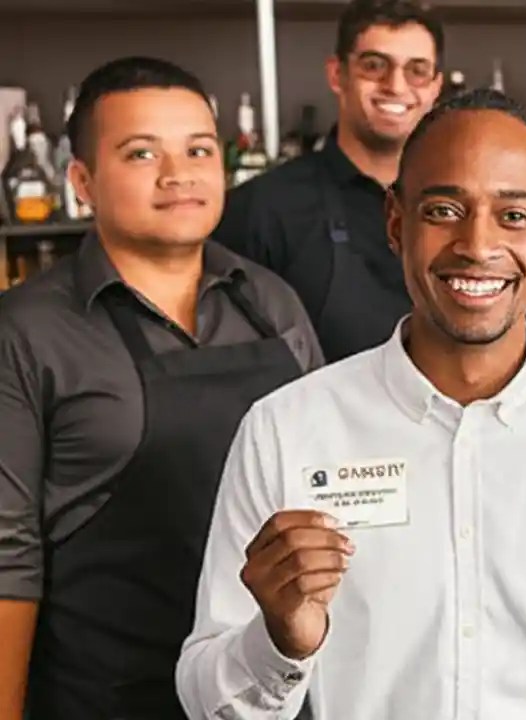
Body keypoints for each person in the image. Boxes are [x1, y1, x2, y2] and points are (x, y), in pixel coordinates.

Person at [176, 90, 526, 719]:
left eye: (512, 216)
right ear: (396, 223)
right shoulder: (287, 429)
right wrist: (281, 639)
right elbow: (209, 703)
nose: (477, 245)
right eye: (445, 209)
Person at [0, 57, 323, 720]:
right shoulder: (27, 330)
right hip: (106, 697)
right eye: (141, 152)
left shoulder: (272, 302)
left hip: (260, 694)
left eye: (199, 149)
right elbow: (9, 559)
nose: (179, 174)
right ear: (82, 181)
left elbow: (324, 487)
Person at [214, 0, 444, 362]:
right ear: (337, 75)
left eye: (417, 70)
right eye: (374, 65)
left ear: (435, 87)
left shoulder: (460, 208)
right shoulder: (263, 208)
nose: (396, 86)